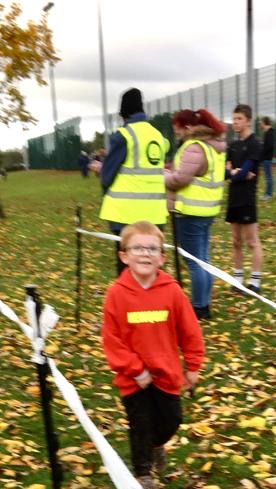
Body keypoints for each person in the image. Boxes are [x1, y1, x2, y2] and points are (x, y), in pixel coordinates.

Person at [101, 221, 204, 489]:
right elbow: (112, 341)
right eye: (137, 248)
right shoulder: (116, 295)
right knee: (140, 425)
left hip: (167, 374)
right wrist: (136, 370)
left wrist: (192, 366)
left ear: (162, 257)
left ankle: (157, 445)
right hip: (133, 380)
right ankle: (143, 475)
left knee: (171, 422)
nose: (145, 254)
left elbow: (190, 331)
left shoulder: (172, 292)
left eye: (151, 249)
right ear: (124, 255)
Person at [91, 88, 169, 274]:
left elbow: (107, 175)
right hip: (155, 214)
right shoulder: (158, 136)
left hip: (125, 216)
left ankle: (130, 303)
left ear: (123, 114)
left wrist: (100, 171)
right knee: (152, 268)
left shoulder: (124, 136)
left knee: (127, 270)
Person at [164, 108, 226, 321]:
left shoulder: (194, 147)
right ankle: (203, 303)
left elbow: (180, 179)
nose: (177, 134)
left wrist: (162, 175)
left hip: (190, 212)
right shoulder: (212, 146)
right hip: (207, 210)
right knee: (203, 259)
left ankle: (199, 307)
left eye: (177, 129)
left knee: (194, 261)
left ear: (188, 127)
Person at [225, 104, 263, 294]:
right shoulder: (232, 145)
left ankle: (255, 282)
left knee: (251, 241)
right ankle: (238, 278)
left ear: (248, 120)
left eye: (239, 119)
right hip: (233, 198)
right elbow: (226, 172)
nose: (235, 123)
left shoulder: (255, 144)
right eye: (234, 119)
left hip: (247, 198)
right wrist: (234, 173)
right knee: (235, 241)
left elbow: (246, 172)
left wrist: (238, 173)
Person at [260, 117, 275, 200]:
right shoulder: (268, 132)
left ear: (265, 122)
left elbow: (269, 146)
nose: (260, 124)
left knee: (268, 177)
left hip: (267, 158)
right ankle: (267, 194)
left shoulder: (269, 133)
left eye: (261, 122)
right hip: (266, 158)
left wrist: (263, 155)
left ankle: (268, 194)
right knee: (268, 177)